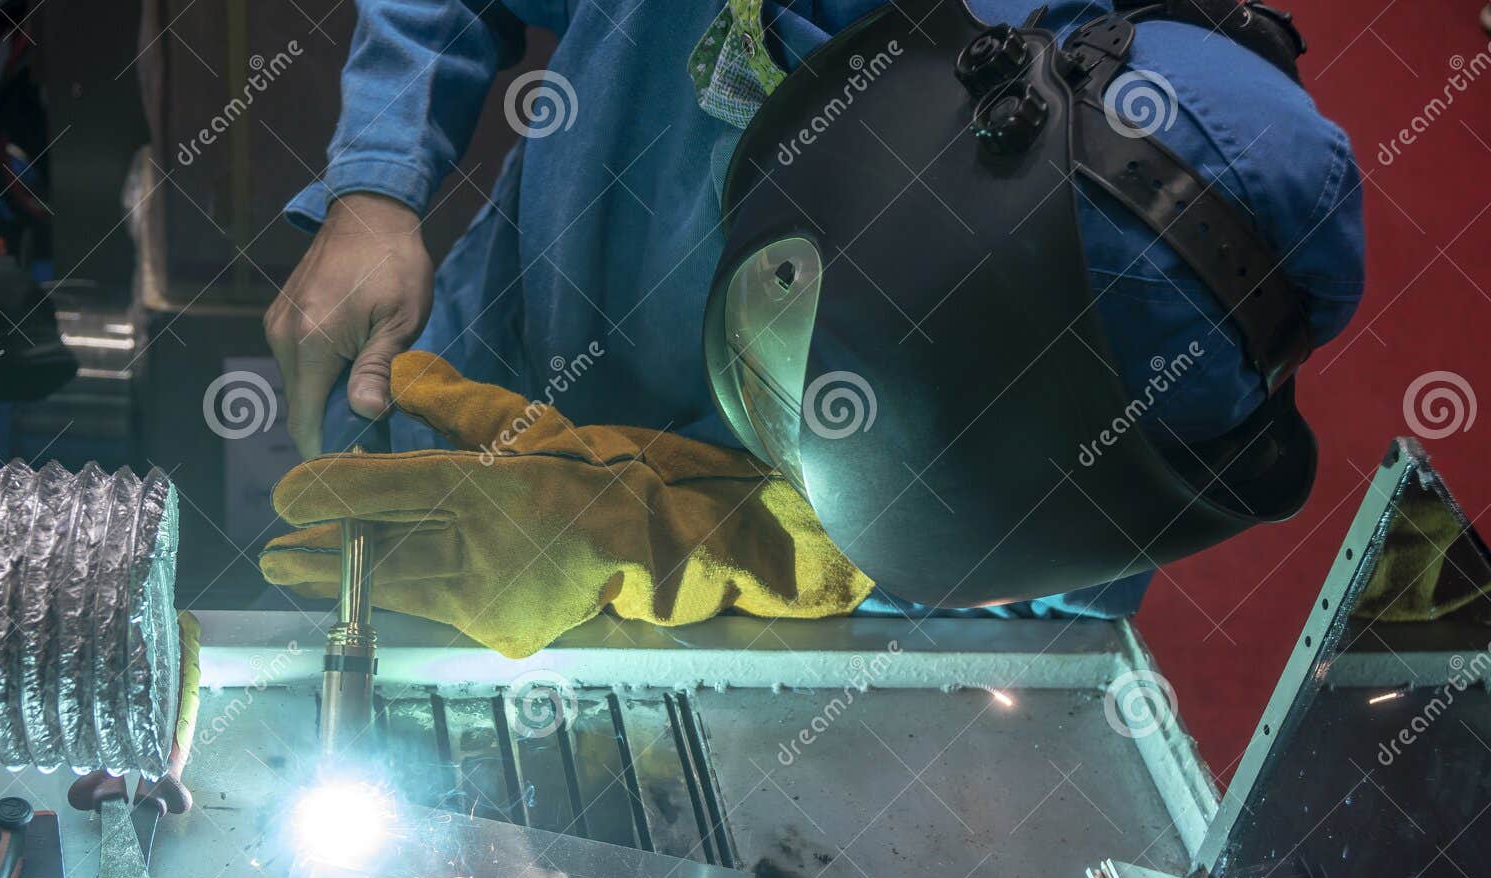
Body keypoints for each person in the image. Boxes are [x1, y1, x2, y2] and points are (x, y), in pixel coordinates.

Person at [261, 0, 1365, 658]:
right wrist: (377, 181)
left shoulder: (1172, 194)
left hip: (787, 662)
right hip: (506, 391)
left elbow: (1026, 567)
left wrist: (760, 551)